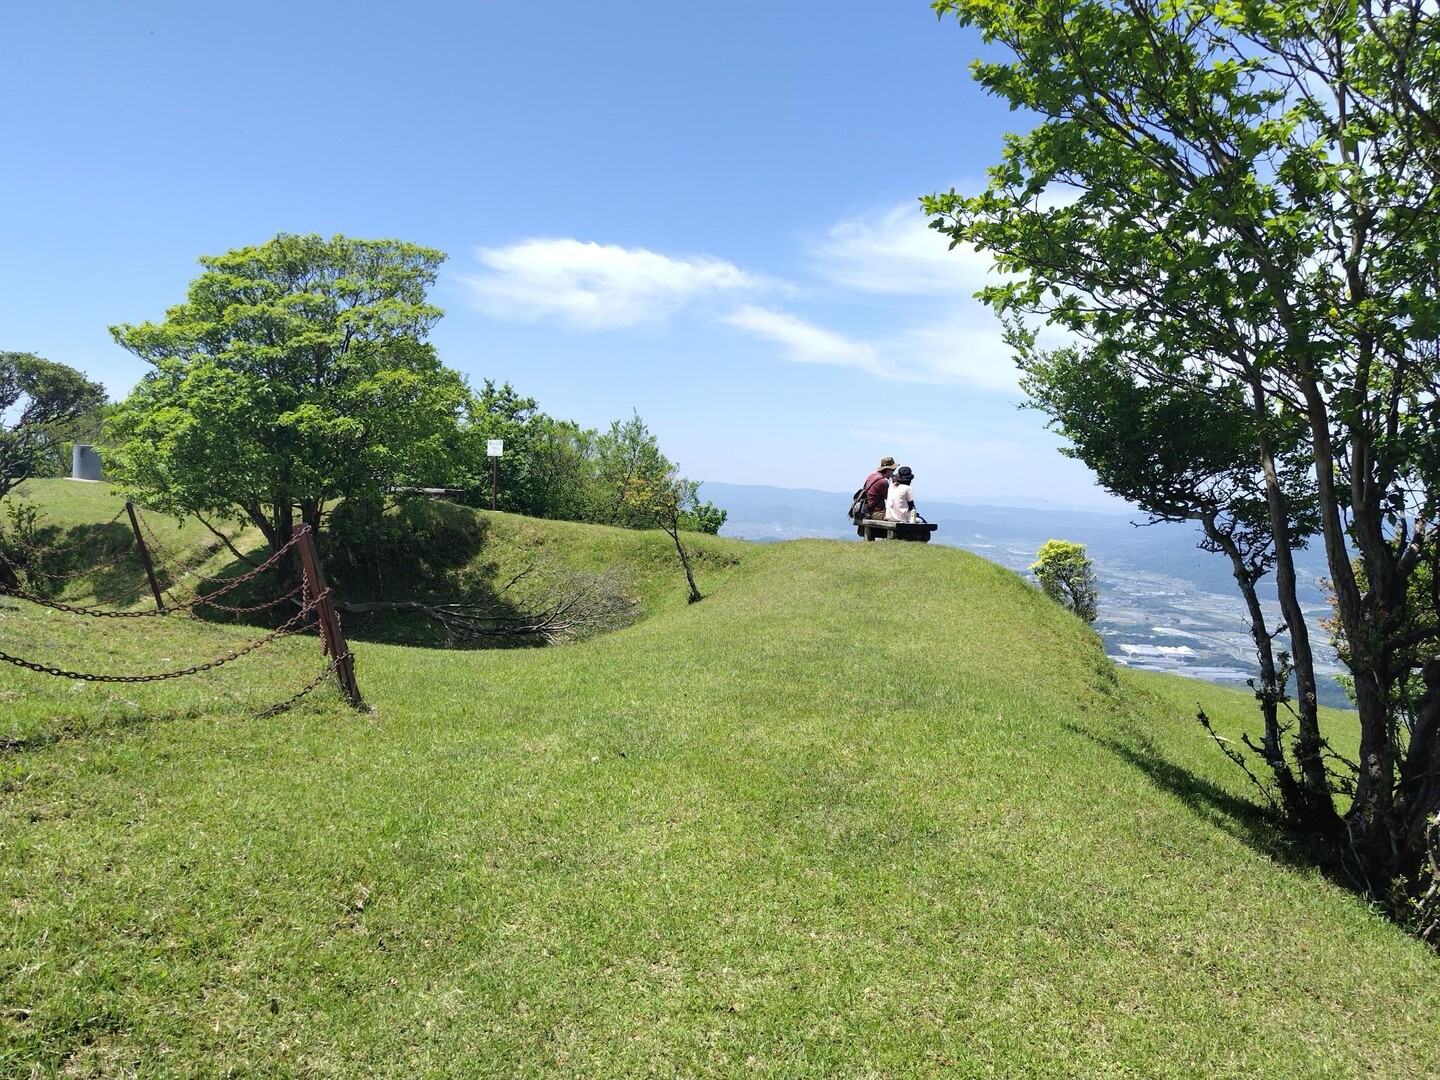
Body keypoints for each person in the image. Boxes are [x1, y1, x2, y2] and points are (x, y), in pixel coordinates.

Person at [859, 456, 896, 525]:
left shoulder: (872, 476)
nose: (893, 472)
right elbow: (890, 498)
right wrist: (894, 484)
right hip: (876, 512)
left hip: (867, 510)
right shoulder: (883, 482)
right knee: (900, 517)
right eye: (893, 470)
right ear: (888, 469)